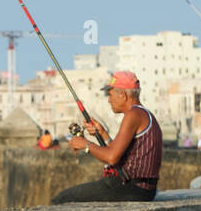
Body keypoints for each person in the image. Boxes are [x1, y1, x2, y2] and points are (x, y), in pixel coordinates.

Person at [51, 71, 160, 203]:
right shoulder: (142, 113)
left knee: (62, 199)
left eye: (110, 94)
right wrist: (102, 133)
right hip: (142, 189)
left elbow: (111, 157)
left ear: (123, 95)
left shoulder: (133, 115)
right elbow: (117, 152)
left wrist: (85, 144)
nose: (109, 100)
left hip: (133, 189)